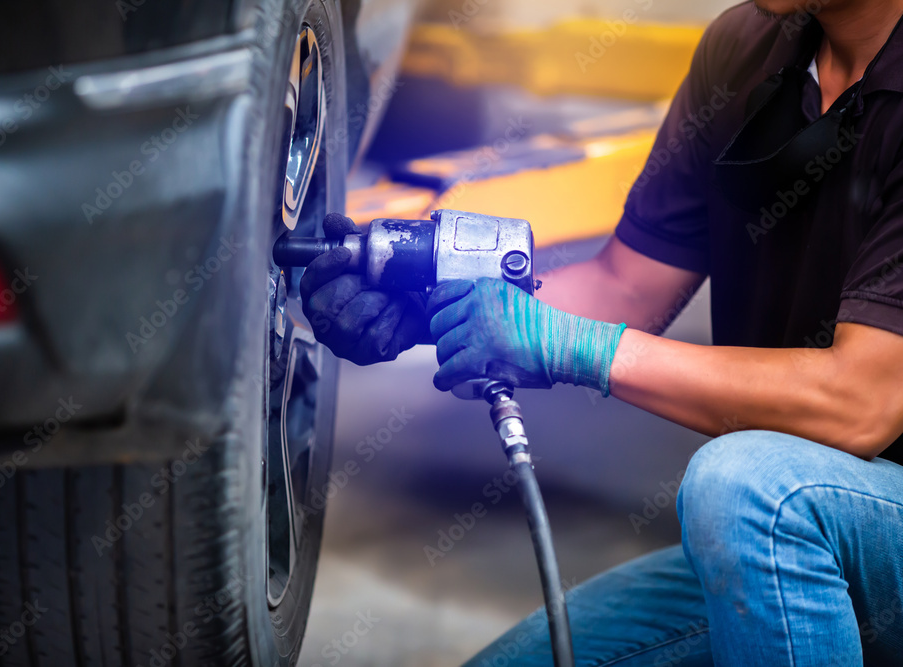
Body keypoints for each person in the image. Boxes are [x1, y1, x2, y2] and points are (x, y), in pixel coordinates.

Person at [300, 0, 903, 664]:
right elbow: (624, 286)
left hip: (827, 517)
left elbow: (860, 400)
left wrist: (579, 348)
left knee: (747, 487)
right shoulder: (748, 51)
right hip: (796, 541)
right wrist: (425, 309)